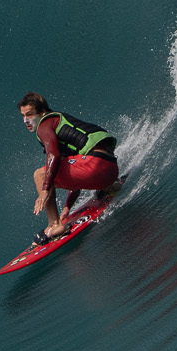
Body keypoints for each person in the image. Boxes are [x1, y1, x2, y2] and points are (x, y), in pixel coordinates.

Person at [19, 91, 121, 242]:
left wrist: (45, 190)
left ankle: (54, 225)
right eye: (23, 116)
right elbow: (75, 171)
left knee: (40, 175)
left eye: (29, 114)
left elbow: (53, 155)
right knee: (63, 167)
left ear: (42, 112)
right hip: (110, 169)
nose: (26, 121)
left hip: (94, 167)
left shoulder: (44, 126)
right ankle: (110, 187)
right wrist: (67, 207)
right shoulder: (59, 121)